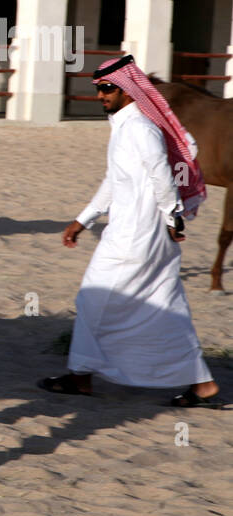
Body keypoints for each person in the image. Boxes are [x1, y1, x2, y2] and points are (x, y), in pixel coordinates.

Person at [40, 55, 225, 408]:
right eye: (98, 89)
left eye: (108, 88)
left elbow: (160, 172)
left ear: (127, 90)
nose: (101, 95)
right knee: (162, 304)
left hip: (136, 234)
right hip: (142, 232)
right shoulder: (125, 125)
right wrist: (84, 220)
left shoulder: (140, 127)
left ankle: (80, 378)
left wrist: (174, 218)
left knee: (93, 299)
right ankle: (202, 383)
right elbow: (115, 179)